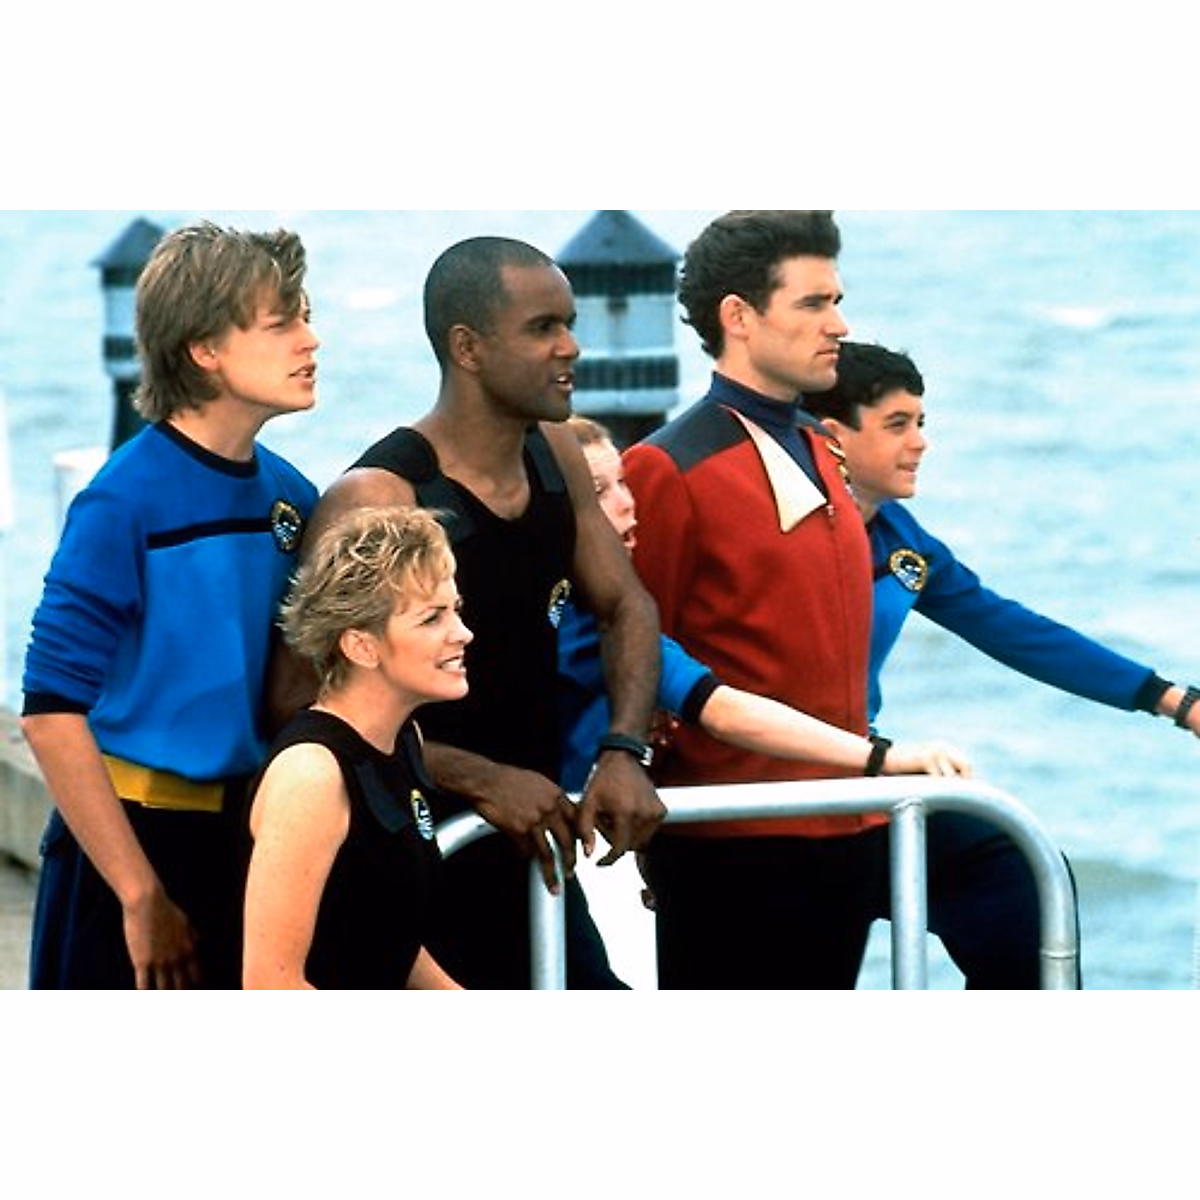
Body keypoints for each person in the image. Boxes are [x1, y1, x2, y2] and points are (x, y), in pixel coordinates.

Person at [623, 210, 1048, 989]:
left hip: (846, 817)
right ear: (739, 317)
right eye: (814, 303)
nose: (839, 326)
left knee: (1011, 871)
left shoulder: (822, 448)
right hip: (735, 844)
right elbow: (633, 645)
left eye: (837, 301)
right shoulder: (666, 466)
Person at [275, 235, 665, 989]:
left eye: (570, 323)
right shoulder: (380, 496)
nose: (571, 347)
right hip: (409, 866)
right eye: (543, 328)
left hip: (531, 853)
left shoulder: (555, 453)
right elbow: (296, 707)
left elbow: (626, 605)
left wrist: (623, 752)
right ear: (468, 348)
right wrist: (482, 778)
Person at [21, 221, 320, 989]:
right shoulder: (123, 501)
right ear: (204, 349)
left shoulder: (293, 498)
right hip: (127, 851)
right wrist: (139, 895)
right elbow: (50, 712)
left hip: (247, 839)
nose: (310, 340)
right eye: (281, 323)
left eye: (307, 316)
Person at [801, 339, 1200, 739]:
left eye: (919, 424)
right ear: (833, 437)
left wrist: (1173, 701)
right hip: (788, 760)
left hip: (856, 750)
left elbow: (1009, 629)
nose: (920, 442)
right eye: (896, 425)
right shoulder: (786, 532)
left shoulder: (904, 540)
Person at [560, 414, 973, 791]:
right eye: (598, 491)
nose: (627, 502)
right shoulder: (555, 611)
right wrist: (883, 759)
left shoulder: (618, 615)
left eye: (623, 482)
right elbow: (724, 714)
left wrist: (879, 756)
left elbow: (718, 706)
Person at [244, 505, 466, 990]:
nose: (463, 634)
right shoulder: (311, 775)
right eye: (433, 618)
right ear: (361, 646)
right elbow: (270, 986)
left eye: (456, 610)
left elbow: (387, 934)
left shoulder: (403, 740)